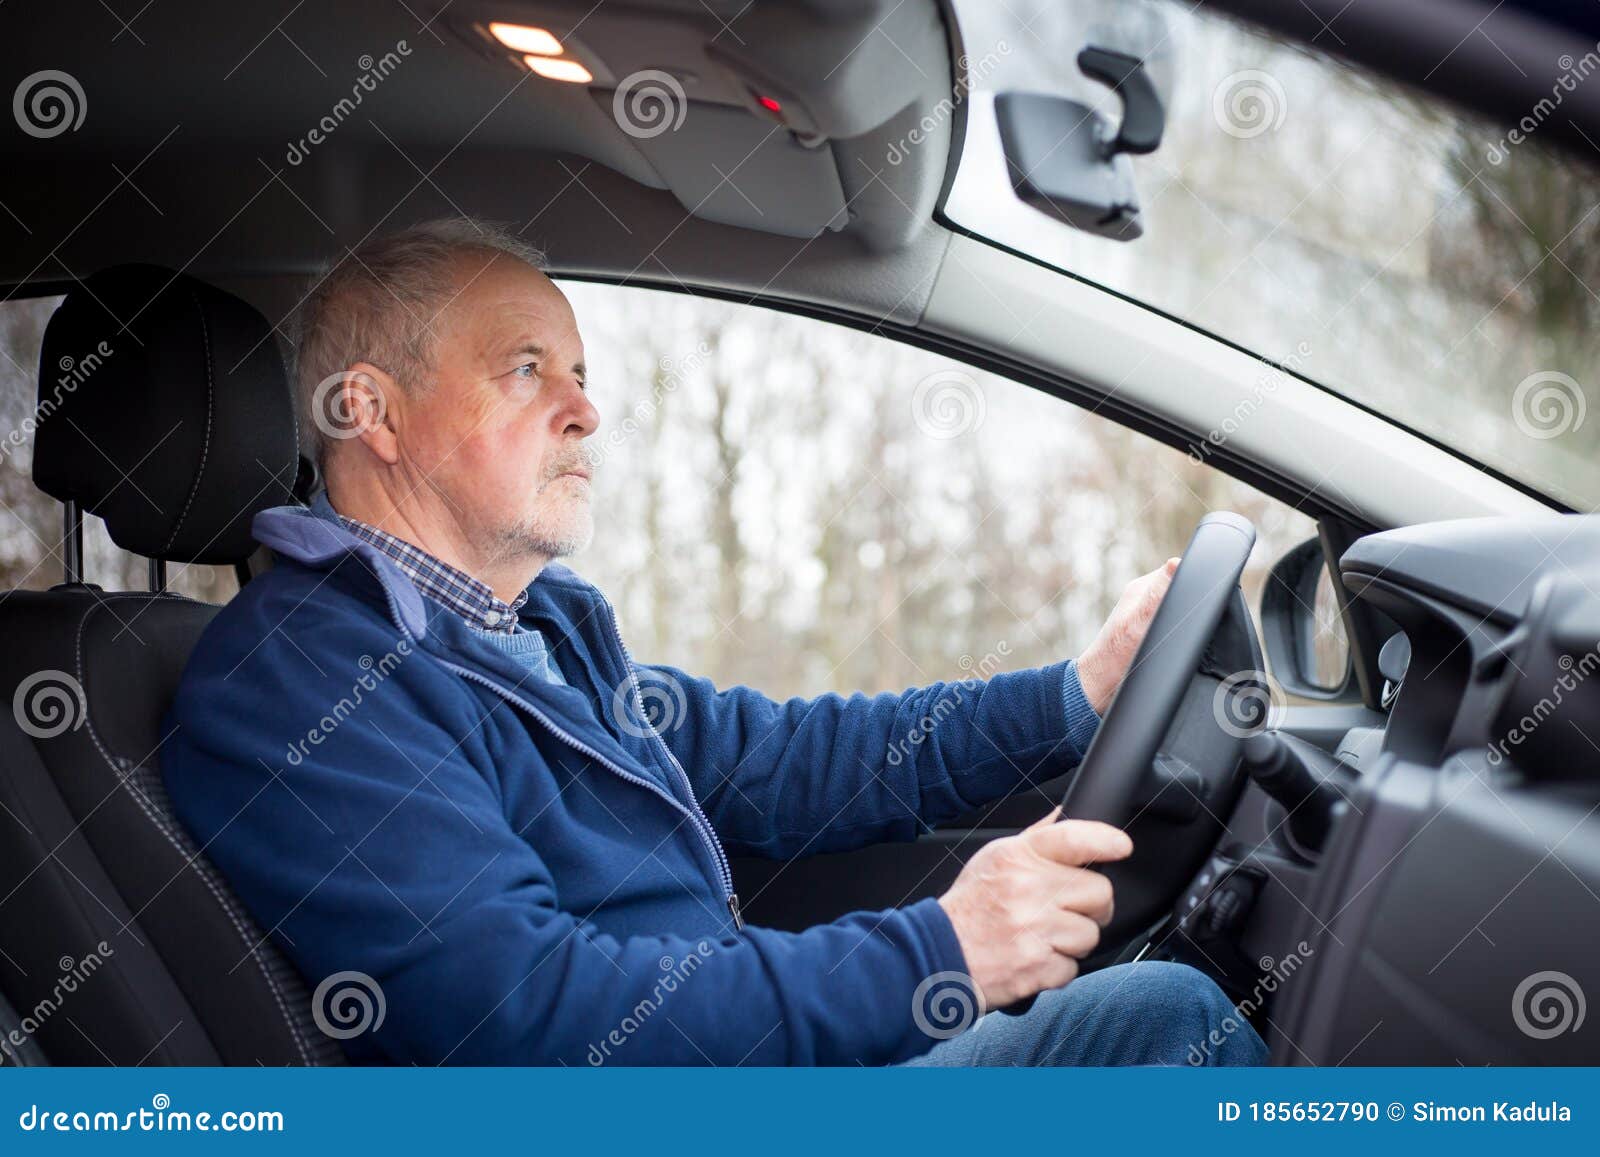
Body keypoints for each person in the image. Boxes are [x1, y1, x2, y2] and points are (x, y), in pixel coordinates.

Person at [161, 218, 1267, 1067]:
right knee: (1169, 1024)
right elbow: (523, 1018)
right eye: (525, 368)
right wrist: (939, 951)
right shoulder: (298, 677)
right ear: (376, 413)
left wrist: (1078, 691)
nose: (585, 410)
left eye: (582, 375)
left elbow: (782, 760)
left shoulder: (531, 628)